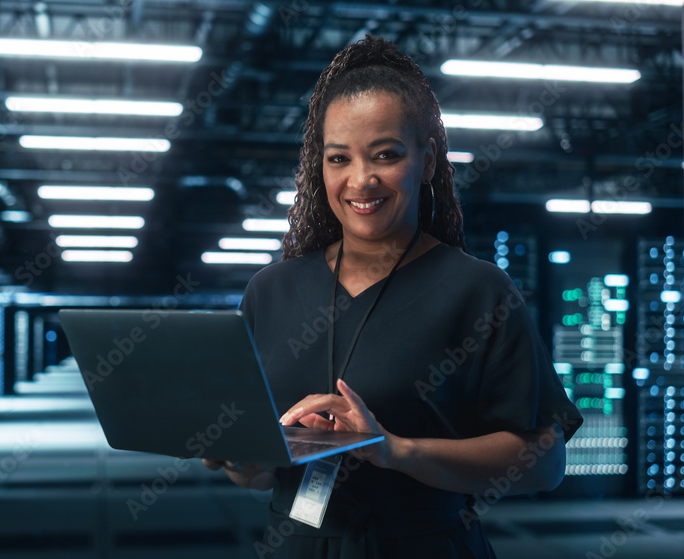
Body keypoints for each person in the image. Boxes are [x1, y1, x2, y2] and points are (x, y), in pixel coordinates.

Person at [202, 34, 583, 558]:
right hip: (295, 543)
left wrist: (394, 450)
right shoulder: (272, 291)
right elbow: (262, 478)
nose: (361, 180)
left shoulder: (475, 290)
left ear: (427, 161)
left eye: (386, 154)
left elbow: (545, 463)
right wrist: (239, 459)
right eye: (339, 158)